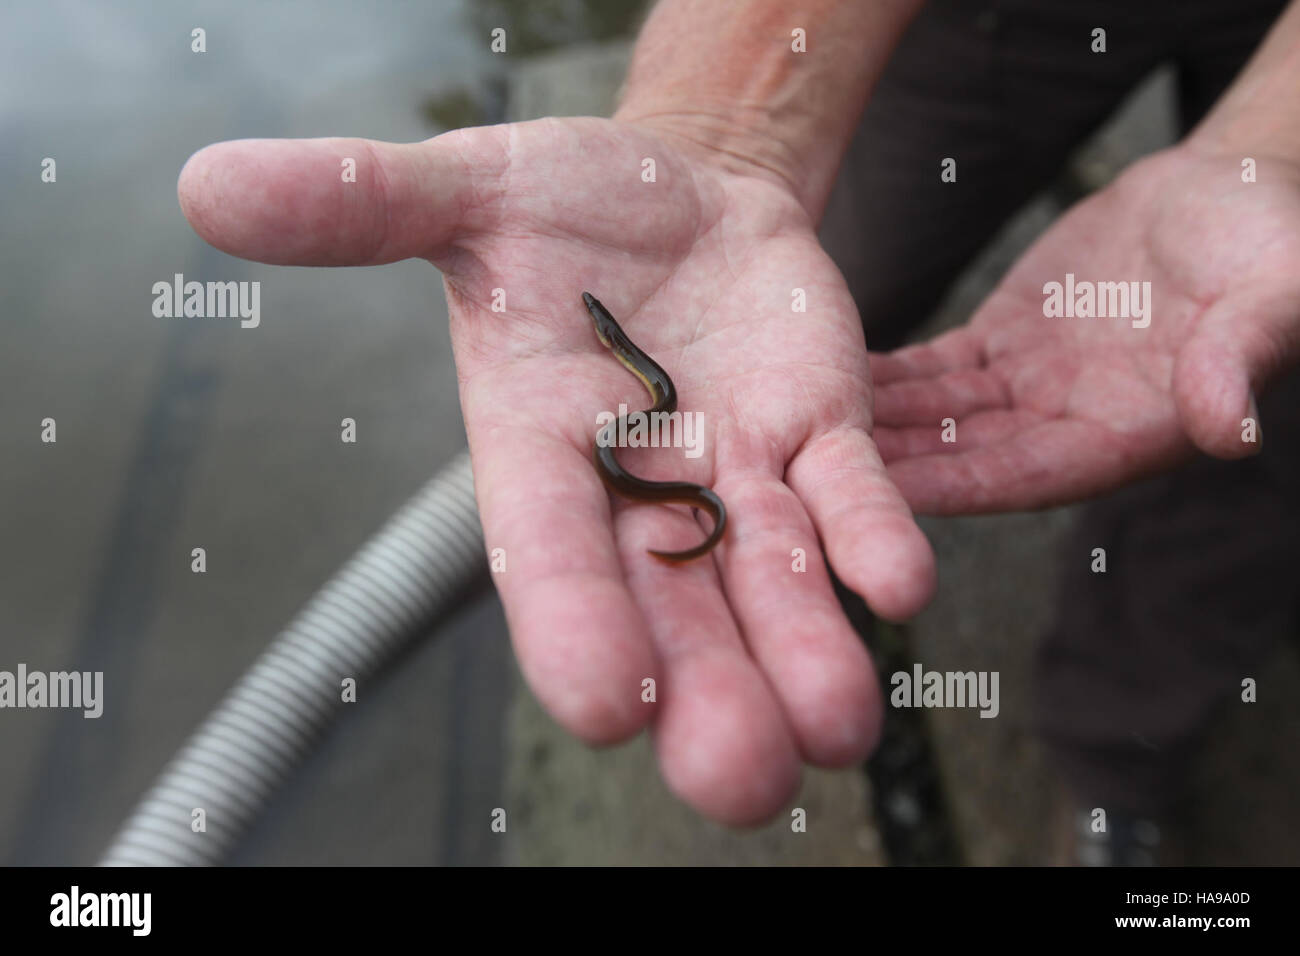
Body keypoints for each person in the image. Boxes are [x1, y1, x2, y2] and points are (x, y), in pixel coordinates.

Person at [175, 0, 1300, 849]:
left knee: (1261, 411)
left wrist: (1278, 147)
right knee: (818, 285)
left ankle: (1113, 761)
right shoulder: (635, 367)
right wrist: (719, 132)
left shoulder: (635, 391)